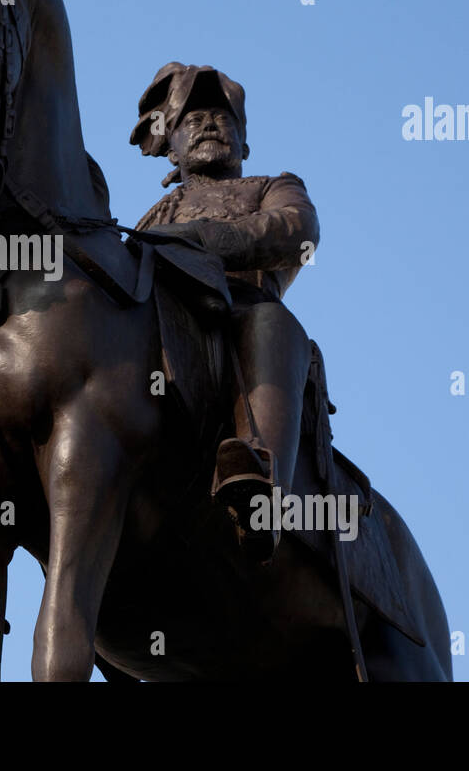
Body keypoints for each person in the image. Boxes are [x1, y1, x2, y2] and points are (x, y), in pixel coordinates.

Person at [131, 63, 318, 564]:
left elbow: (297, 231)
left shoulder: (273, 186)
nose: (210, 123)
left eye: (223, 118)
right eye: (192, 120)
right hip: (163, 324)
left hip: (241, 313)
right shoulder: (150, 218)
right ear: (170, 148)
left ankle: (260, 483)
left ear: (244, 144)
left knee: (270, 322)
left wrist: (202, 239)